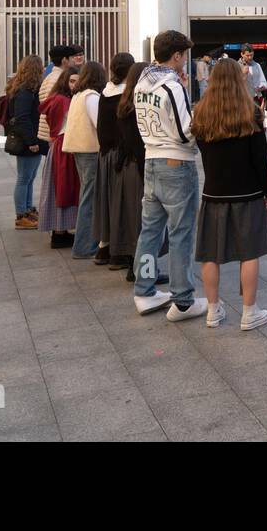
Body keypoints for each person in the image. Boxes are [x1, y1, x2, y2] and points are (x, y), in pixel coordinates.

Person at [192, 59, 267, 330]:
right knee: (249, 252)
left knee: (210, 253)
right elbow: (261, 158)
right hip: (248, 190)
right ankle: (249, 311)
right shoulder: (250, 112)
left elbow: (201, 151)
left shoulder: (201, 113)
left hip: (214, 191)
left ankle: (213, 310)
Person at [132, 30, 205, 321]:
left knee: (150, 231)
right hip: (176, 163)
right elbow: (185, 132)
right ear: (176, 55)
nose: (185, 61)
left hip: (151, 158)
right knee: (180, 232)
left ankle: (145, 290)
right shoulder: (170, 86)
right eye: (184, 55)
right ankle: (183, 299)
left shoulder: (142, 82)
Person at [93, 52, 135, 265]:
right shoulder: (126, 94)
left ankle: (104, 247)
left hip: (105, 154)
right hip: (121, 155)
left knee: (107, 202)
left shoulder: (105, 92)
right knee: (123, 204)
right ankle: (120, 253)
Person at [64, 61, 107, 260]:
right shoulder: (91, 97)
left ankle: (85, 244)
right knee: (89, 198)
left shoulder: (78, 95)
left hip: (78, 149)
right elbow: (101, 125)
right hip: (90, 150)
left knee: (87, 195)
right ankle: (83, 246)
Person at [38, 65, 81, 249]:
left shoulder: (59, 98)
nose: (74, 85)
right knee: (64, 189)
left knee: (59, 189)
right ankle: (60, 231)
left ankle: (60, 231)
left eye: (77, 82)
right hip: (64, 148)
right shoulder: (63, 101)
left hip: (59, 146)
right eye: (71, 81)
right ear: (65, 81)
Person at [112, 62, 148, 278]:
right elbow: (138, 143)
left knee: (134, 218)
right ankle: (140, 271)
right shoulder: (137, 105)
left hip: (127, 165)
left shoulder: (124, 102)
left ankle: (135, 266)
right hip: (138, 166)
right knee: (143, 222)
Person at [6, 55, 45, 230]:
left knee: (29, 178)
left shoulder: (27, 89)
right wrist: (31, 141)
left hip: (29, 139)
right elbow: (22, 118)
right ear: (35, 70)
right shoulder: (24, 92)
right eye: (41, 68)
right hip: (26, 141)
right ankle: (21, 215)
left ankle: (28, 209)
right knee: (23, 178)